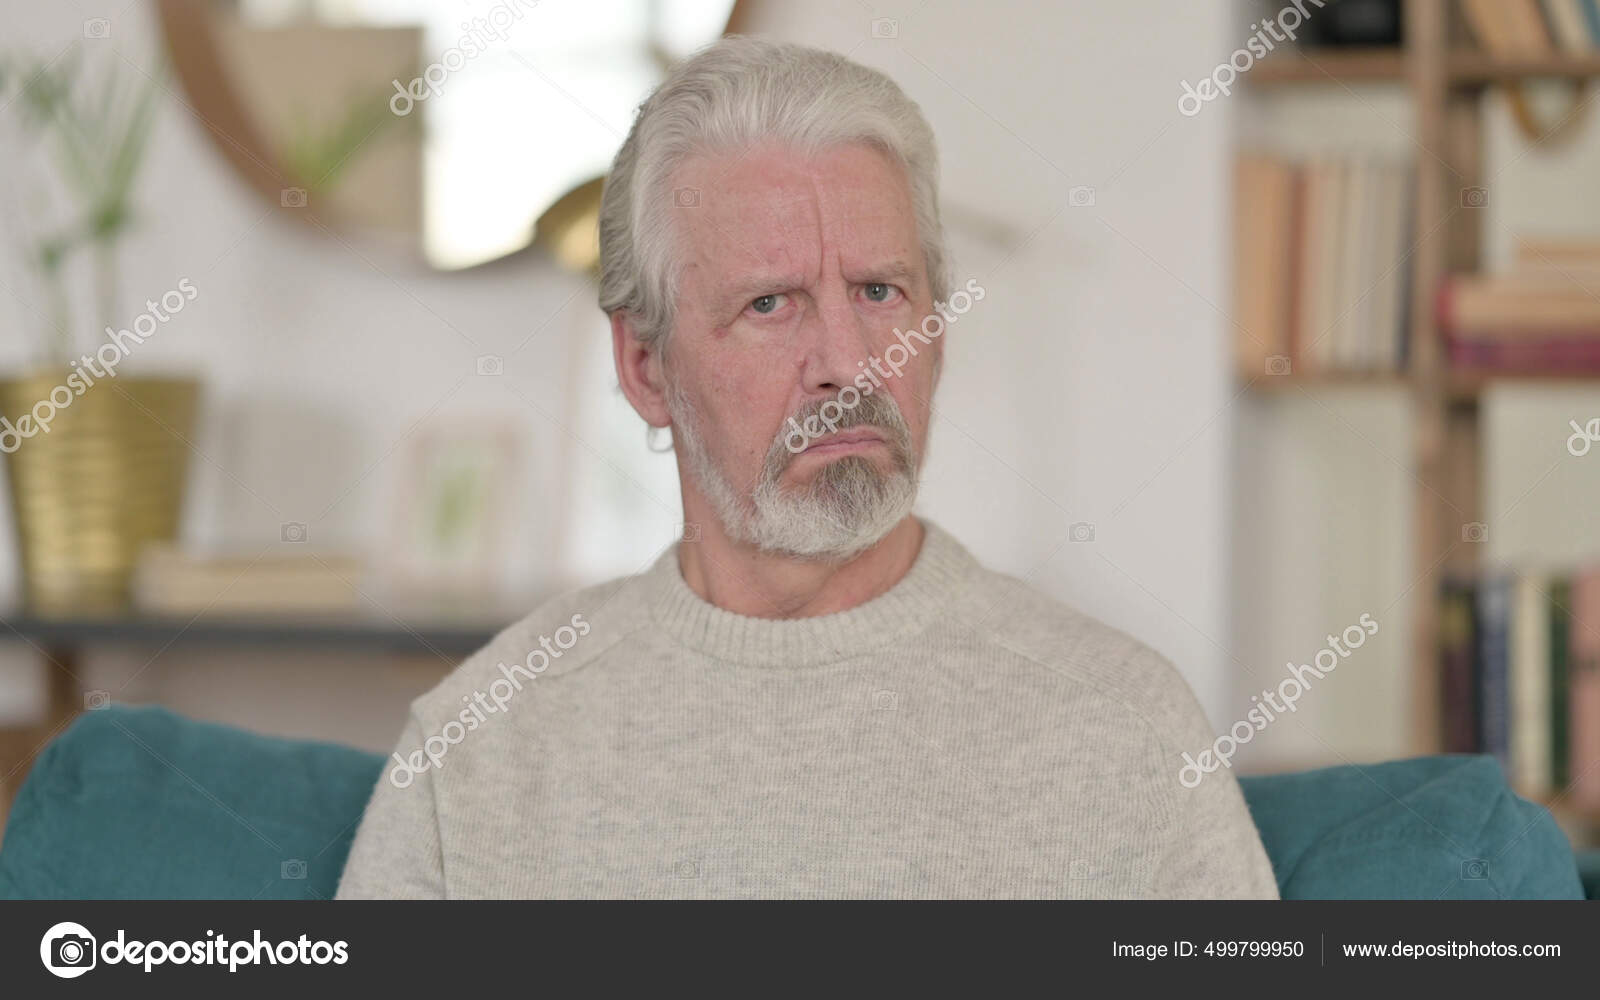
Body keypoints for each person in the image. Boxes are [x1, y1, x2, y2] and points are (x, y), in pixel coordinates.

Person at [337, 36, 1278, 899]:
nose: (847, 358)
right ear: (644, 369)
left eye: (881, 291)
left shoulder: (1127, 727)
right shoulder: (476, 755)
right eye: (771, 304)